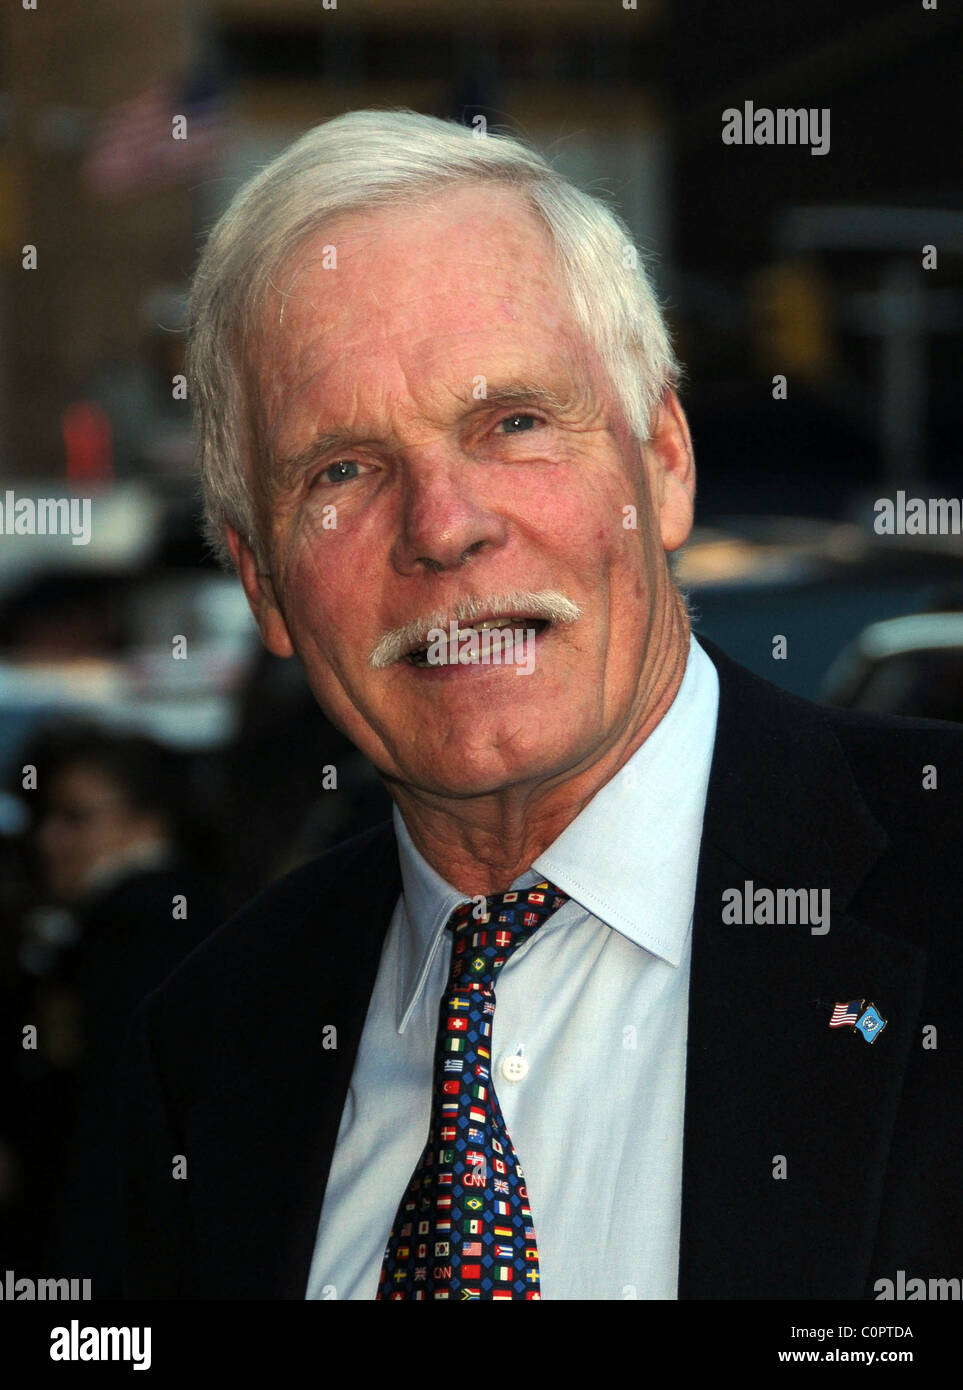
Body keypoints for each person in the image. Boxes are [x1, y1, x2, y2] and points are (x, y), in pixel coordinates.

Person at [117, 110, 962, 1301]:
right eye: (342, 470)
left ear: (664, 460)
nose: (443, 524)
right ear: (263, 583)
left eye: (511, 422)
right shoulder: (202, 1056)